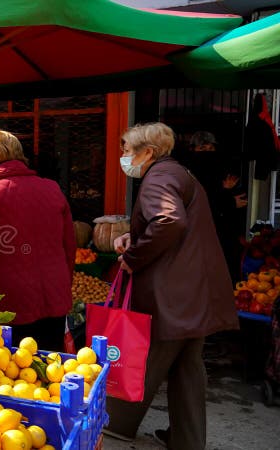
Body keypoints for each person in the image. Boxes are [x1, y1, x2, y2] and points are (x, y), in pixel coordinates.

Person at [104, 122, 238, 449]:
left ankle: (115, 426)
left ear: (147, 152)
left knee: (147, 359)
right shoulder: (179, 173)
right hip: (193, 291)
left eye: (126, 150)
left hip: (172, 294)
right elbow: (175, 223)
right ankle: (187, 440)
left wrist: (134, 256)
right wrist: (133, 237)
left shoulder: (158, 178)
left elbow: (169, 220)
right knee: (188, 370)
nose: (123, 157)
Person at [0, 129, 75, 351]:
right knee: (50, 373)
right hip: (52, 302)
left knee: (4, 378)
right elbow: (69, 246)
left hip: (1, 306)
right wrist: (62, 283)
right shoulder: (52, 189)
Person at [183, 131, 247, 281]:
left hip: (223, 232)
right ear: (193, 150)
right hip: (196, 230)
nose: (207, 153)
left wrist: (226, 197)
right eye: (202, 149)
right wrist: (227, 199)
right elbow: (194, 201)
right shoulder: (186, 173)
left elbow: (241, 199)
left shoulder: (223, 168)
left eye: (210, 149)